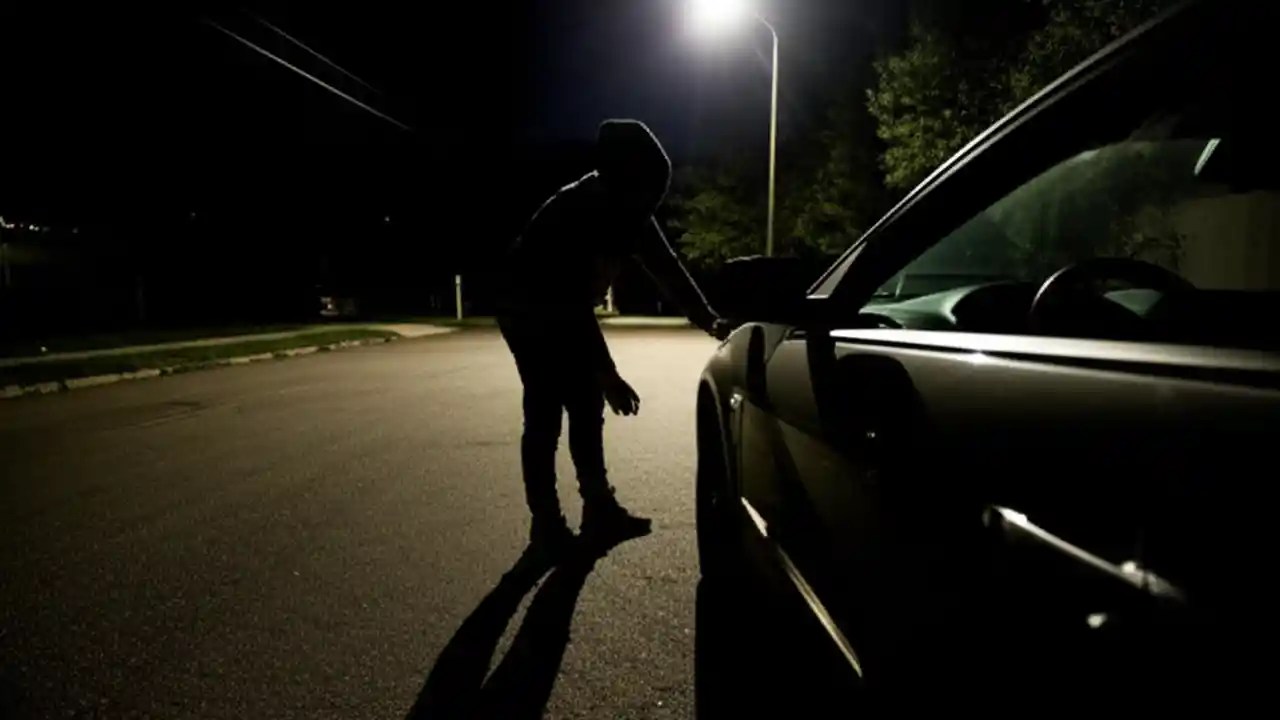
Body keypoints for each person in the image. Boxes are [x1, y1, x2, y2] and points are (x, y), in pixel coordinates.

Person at [496, 119, 726, 557]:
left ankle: (598, 508)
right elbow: (568, 305)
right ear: (623, 177)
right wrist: (608, 374)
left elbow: (668, 270)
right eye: (648, 188)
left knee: (585, 402)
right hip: (525, 307)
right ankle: (546, 525)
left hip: (562, 307)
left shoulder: (633, 214)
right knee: (545, 408)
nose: (652, 201)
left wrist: (710, 320)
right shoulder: (579, 209)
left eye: (659, 191)